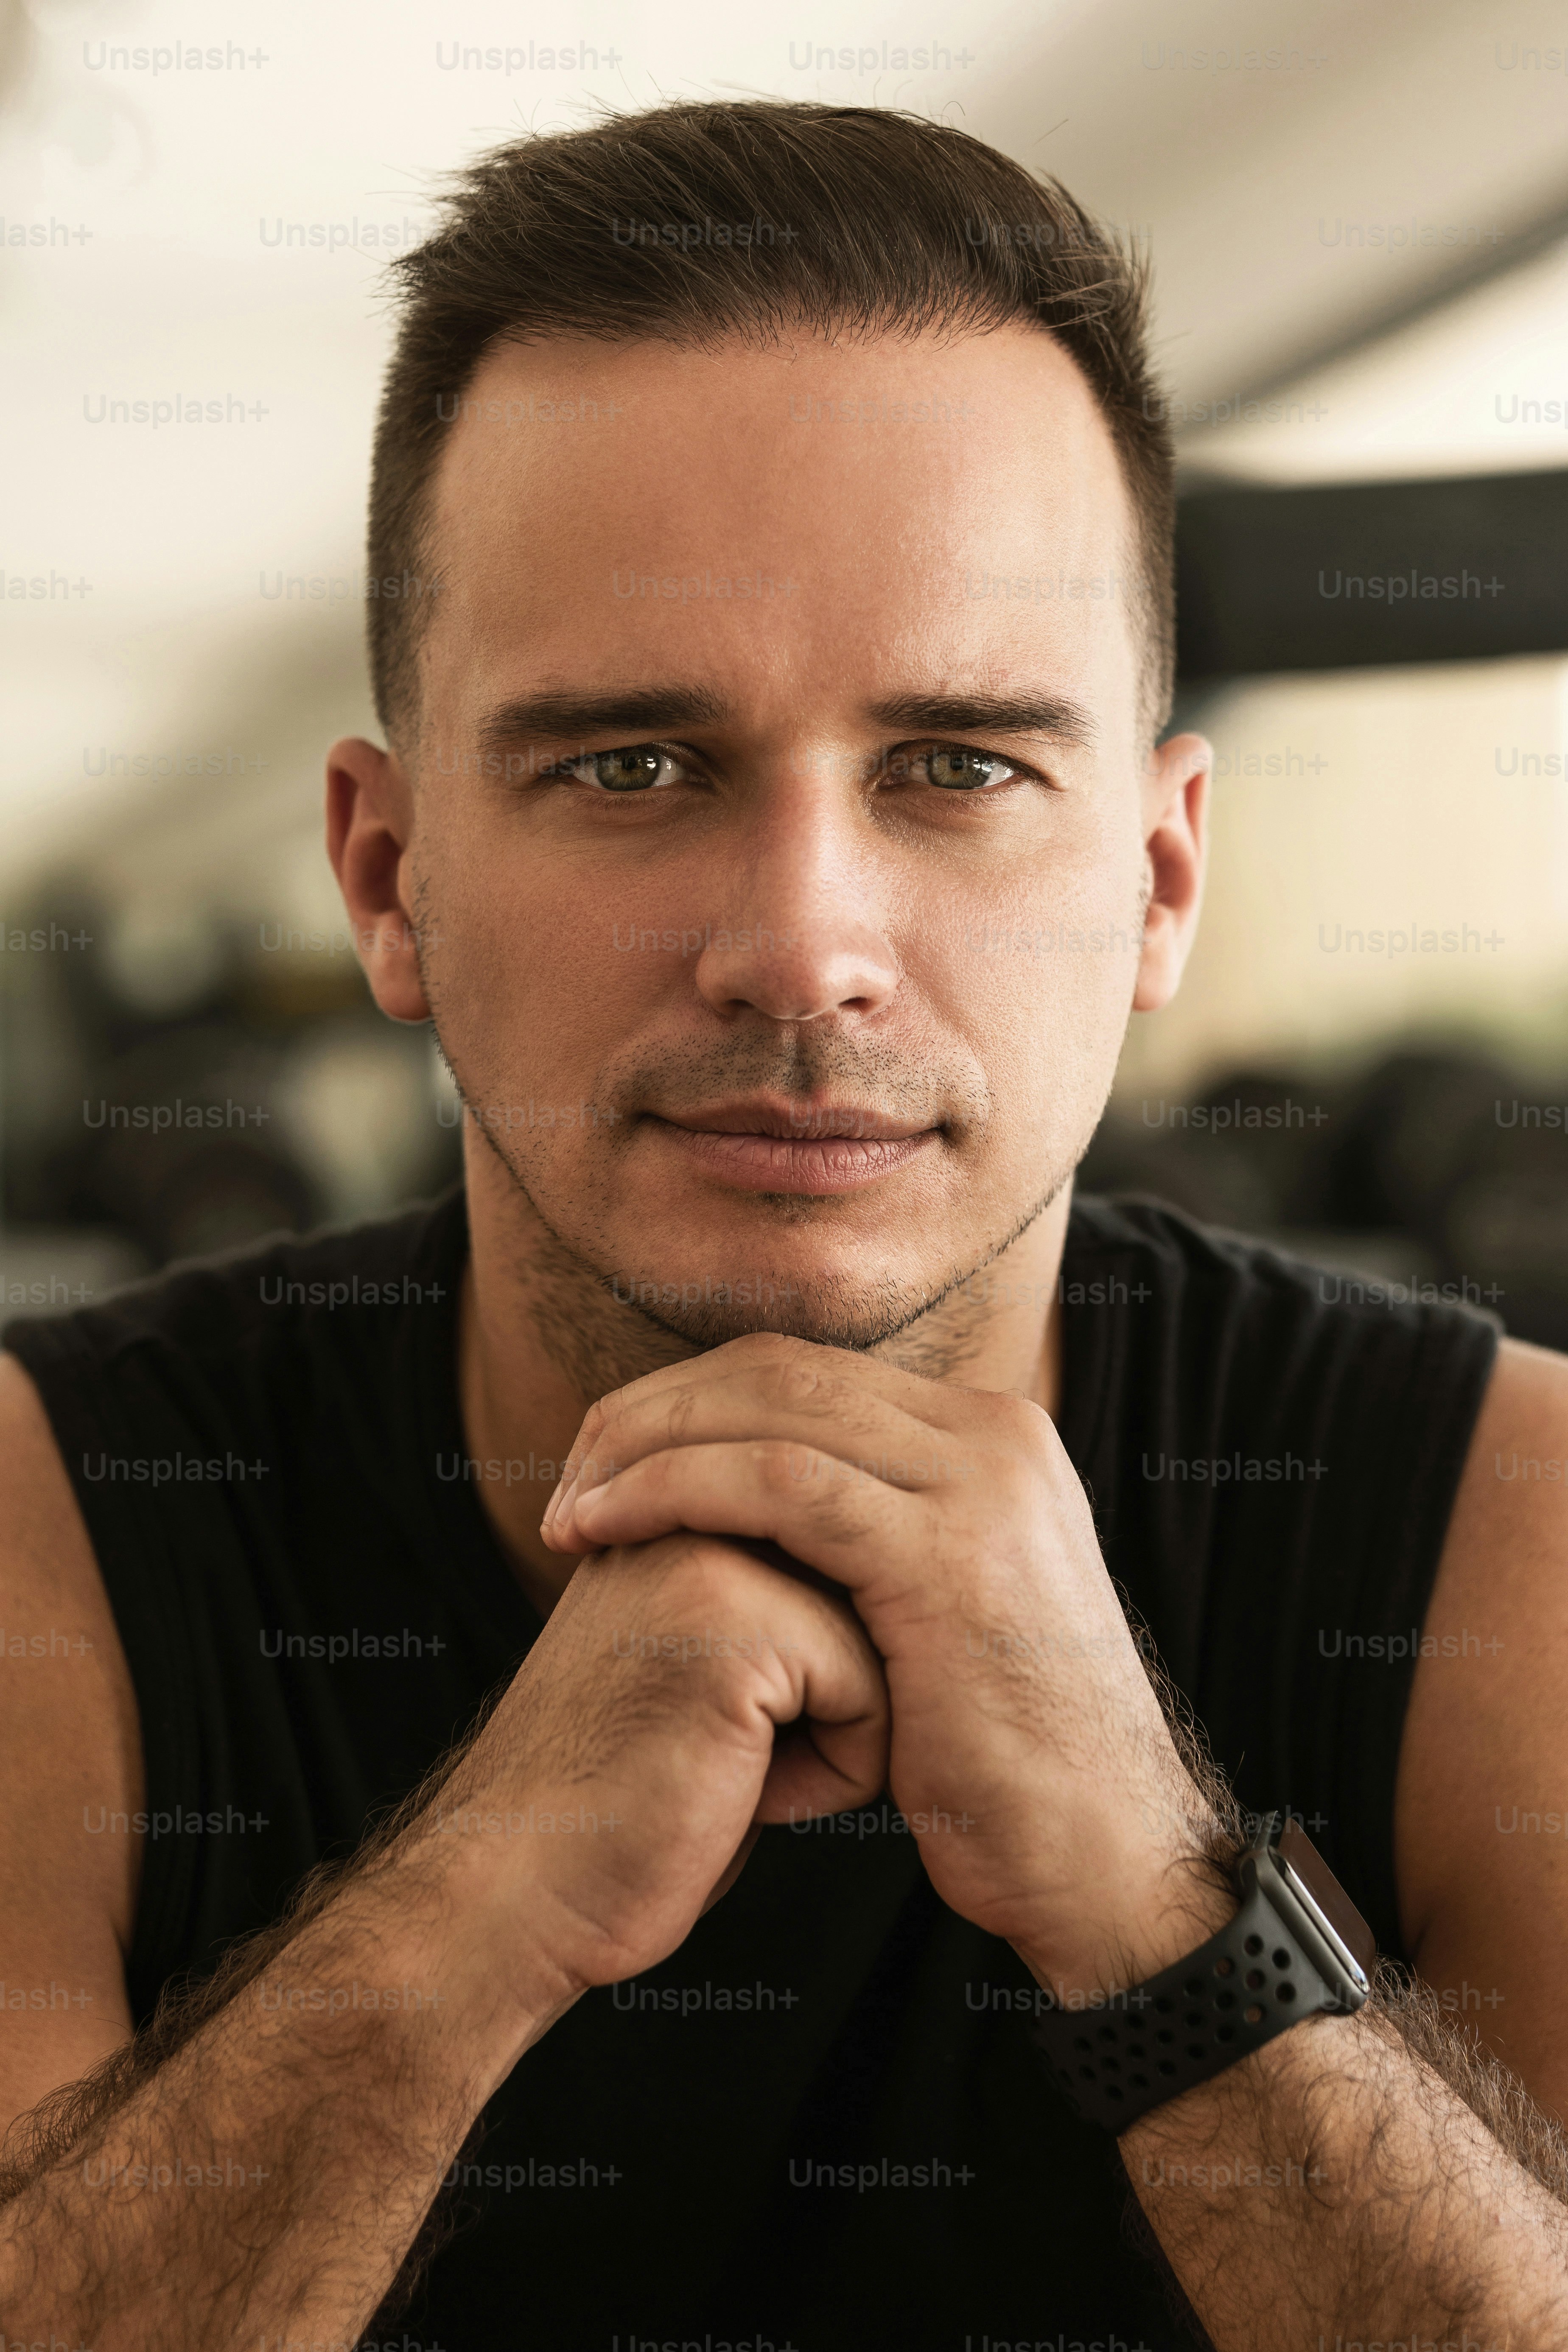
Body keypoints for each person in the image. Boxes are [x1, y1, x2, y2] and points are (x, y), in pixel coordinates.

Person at [2, 99, 1565, 2352]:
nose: (803, 942)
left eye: (958, 765)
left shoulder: (1510, 1521)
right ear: (384, 874)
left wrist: (1162, 1897)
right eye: (633, 765)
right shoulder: (53, 1522)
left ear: (1160, 873)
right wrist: (468, 1911)